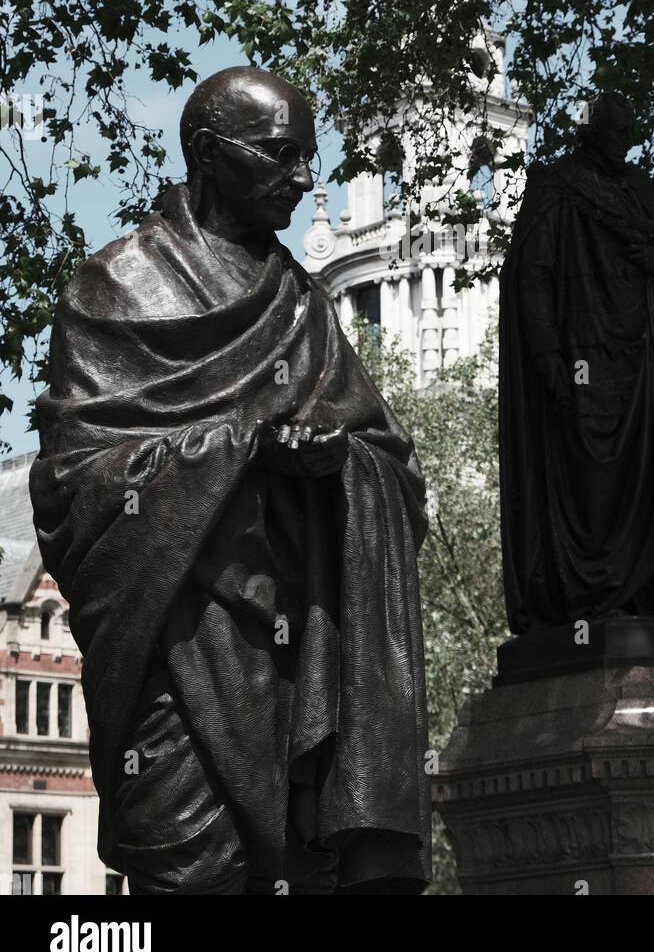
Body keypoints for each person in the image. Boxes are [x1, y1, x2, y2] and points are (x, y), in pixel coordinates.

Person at [30, 66, 431, 894]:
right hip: (172, 649)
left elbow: (392, 464)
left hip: (297, 656)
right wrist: (244, 447)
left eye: (309, 156)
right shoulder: (115, 286)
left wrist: (336, 464)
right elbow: (73, 484)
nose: (305, 178)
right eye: (281, 154)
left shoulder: (303, 304)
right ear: (209, 154)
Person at [499, 91, 654, 632]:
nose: (624, 140)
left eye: (630, 131)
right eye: (615, 130)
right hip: (587, 360)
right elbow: (532, 275)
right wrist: (550, 357)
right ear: (591, 130)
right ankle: (597, 599)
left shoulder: (646, 195)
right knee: (593, 481)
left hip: (650, 366)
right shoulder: (557, 188)